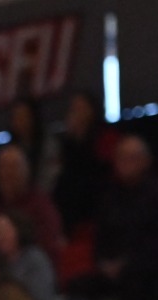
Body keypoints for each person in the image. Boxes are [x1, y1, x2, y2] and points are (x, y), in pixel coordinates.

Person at [82, 135, 158, 300]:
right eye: (122, 157)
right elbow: (100, 239)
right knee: (78, 289)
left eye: (132, 158)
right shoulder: (109, 198)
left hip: (149, 272)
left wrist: (126, 264)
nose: (126, 163)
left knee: (136, 283)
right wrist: (103, 264)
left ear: (145, 161)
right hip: (111, 272)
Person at [0, 143, 65, 259]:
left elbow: (48, 248)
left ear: (26, 171)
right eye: (3, 167)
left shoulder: (41, 206)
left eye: (14, 167)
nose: (8, 173)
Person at [50, 91, 107, 233]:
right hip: (71, 205)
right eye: (74, 109)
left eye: (81, 108)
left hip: (97, 201)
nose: (76, 114)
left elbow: (100, 173)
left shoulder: (104, 137)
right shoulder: (67, 145)